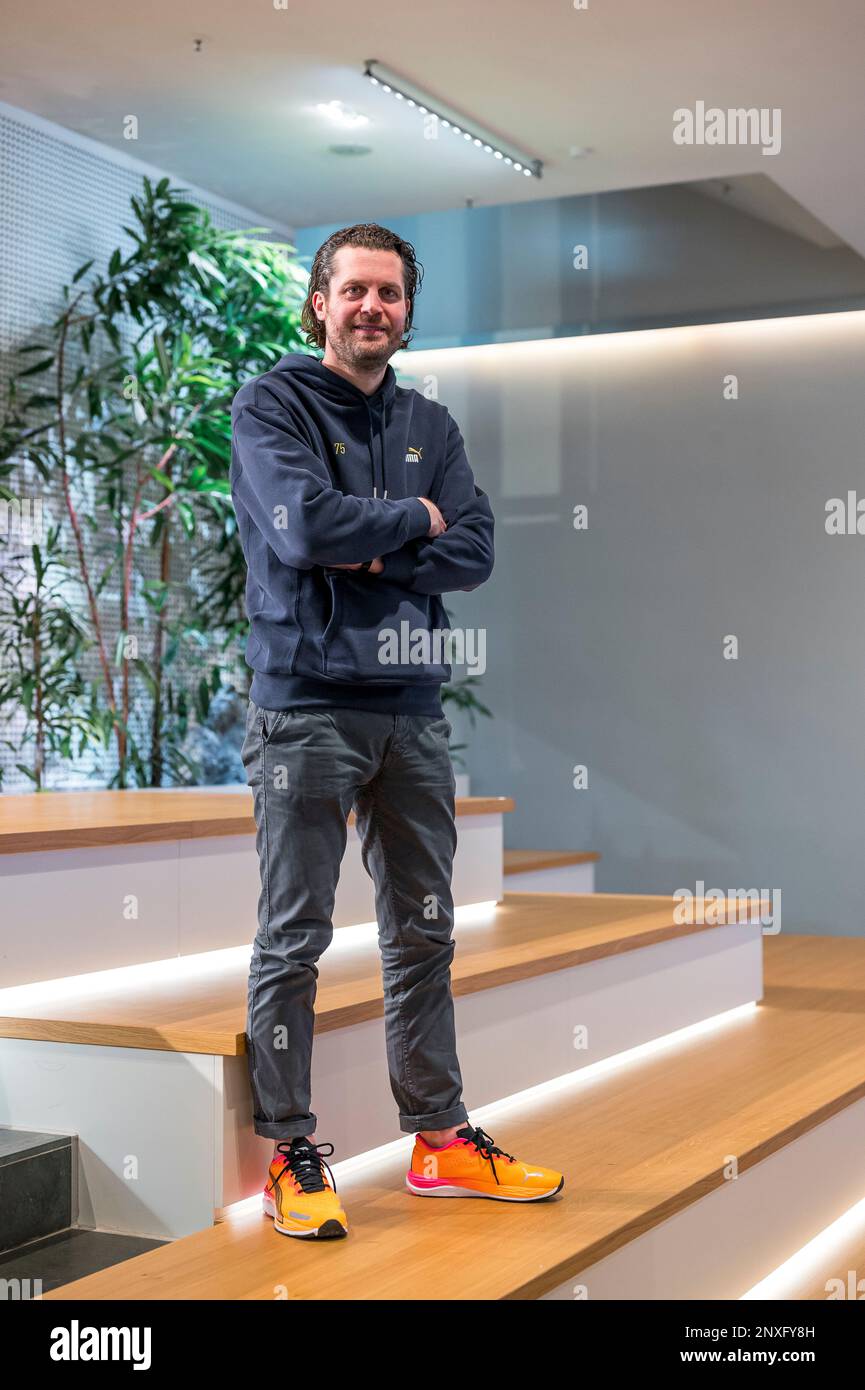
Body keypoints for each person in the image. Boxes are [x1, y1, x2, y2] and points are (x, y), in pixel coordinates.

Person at [230, 223, 563, 1240]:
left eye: (390, 294)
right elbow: (301, 526)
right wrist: (412, 521)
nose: (373, 307)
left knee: (422, 929)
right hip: (305, 707)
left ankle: (438, 1137)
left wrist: (392, 534)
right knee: (297, 933)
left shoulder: (431, 422)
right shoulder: (271, 403)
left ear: (405, 311)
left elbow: (473, 552)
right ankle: (289, 1149)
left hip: (410, 711)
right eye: (355, 290)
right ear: (320, 304)